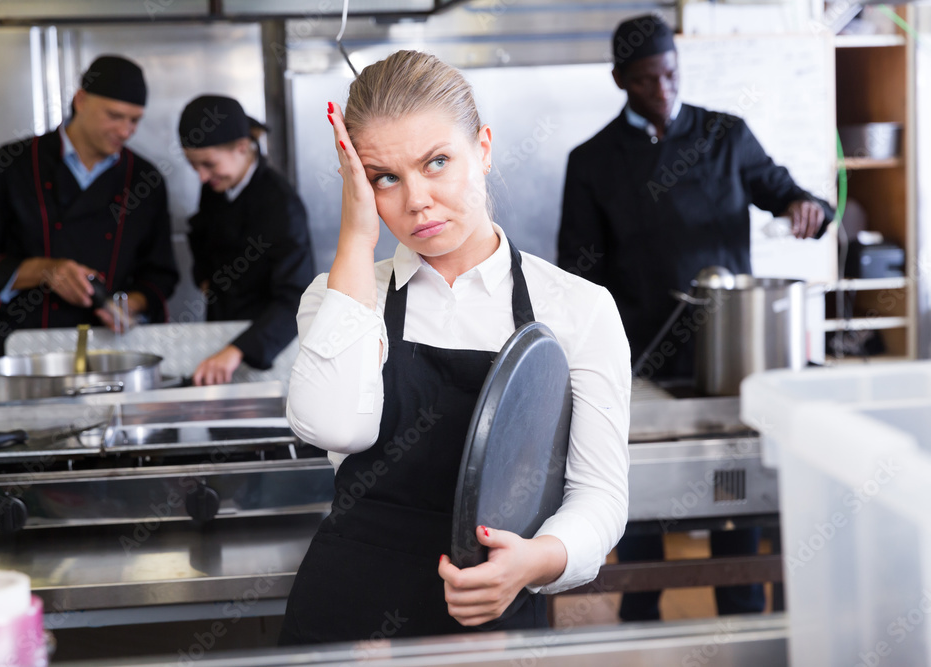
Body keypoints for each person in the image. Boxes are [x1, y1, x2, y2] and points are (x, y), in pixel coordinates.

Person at [277, 50, 631, 646]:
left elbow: (598, 496)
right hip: (346, 617)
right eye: (383, 177)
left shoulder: (578, 307)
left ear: (484, 149)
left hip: (492, 621)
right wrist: (356, 239)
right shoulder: (339, 292)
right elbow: (333, 427)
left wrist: (536, 560)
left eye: (436, 162)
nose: (415, 200)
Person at [556, 15, 834, 621]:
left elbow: (782, 189)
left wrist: (806, 205)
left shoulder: (726, 136)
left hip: (731, 351)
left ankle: (741, 617)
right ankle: (639, 618)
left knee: (735, 490)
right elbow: (576, 274)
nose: (664, 89)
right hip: (639, 362)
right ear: (619, 80)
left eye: (671, 73)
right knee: (643, 501)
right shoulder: (593, 162)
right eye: (647, 79)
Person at [0, 55, 178, 355]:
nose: (125, 131)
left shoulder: (144, 180)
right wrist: (45, 271)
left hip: (114, 353)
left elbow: (161, 274)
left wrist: (131, 304)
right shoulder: (11, 165)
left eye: (134, 120)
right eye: (114, 116)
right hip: (28, 352)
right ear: (81, 100)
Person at [179, 95, 315, 386]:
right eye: (194, 166)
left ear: (242, 148)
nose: (202, 177)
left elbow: (296, 299)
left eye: (208, 164)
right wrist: (204, 276)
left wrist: (239, 349)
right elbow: (199, 233)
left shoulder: (281, 205)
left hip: (269, 346)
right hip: (219, 333)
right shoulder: (216, 186)